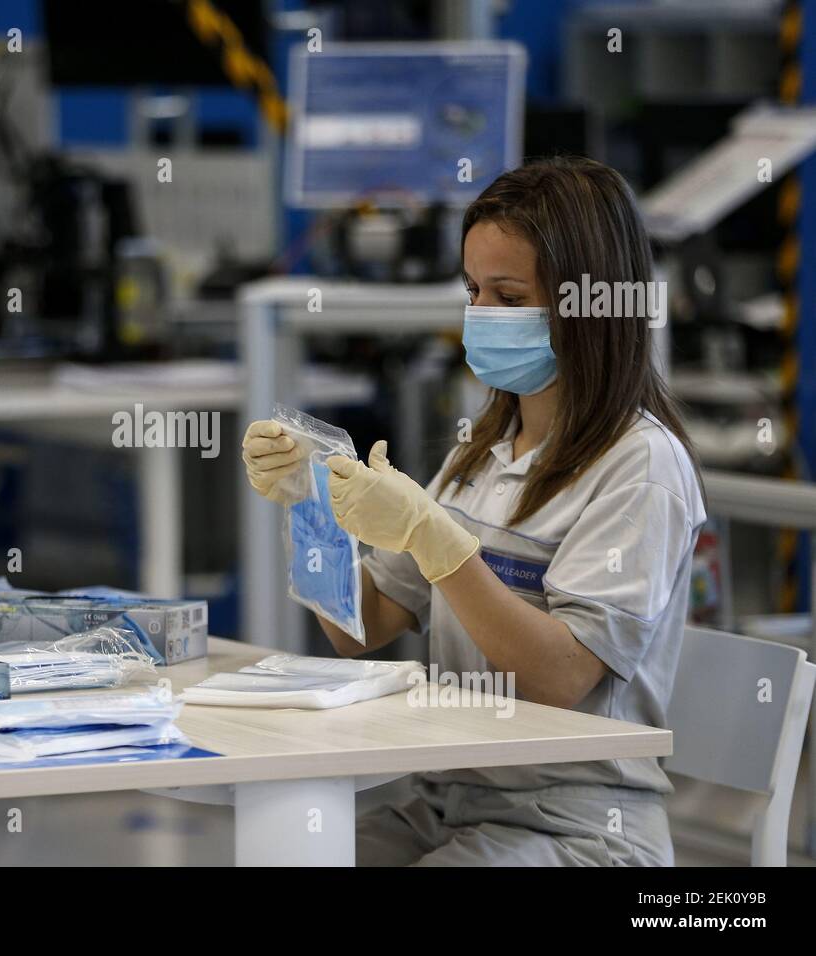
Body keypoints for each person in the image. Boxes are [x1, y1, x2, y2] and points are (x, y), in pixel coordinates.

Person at [241, 156, 705, 866]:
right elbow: (359, 629)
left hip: (577, 825)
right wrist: (309, 506)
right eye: (472, 289)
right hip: (447, 800)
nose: (480, 315)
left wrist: (436, 539)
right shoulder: (480, 450)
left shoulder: (641, 467)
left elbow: (559, 677)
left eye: (509, 297)